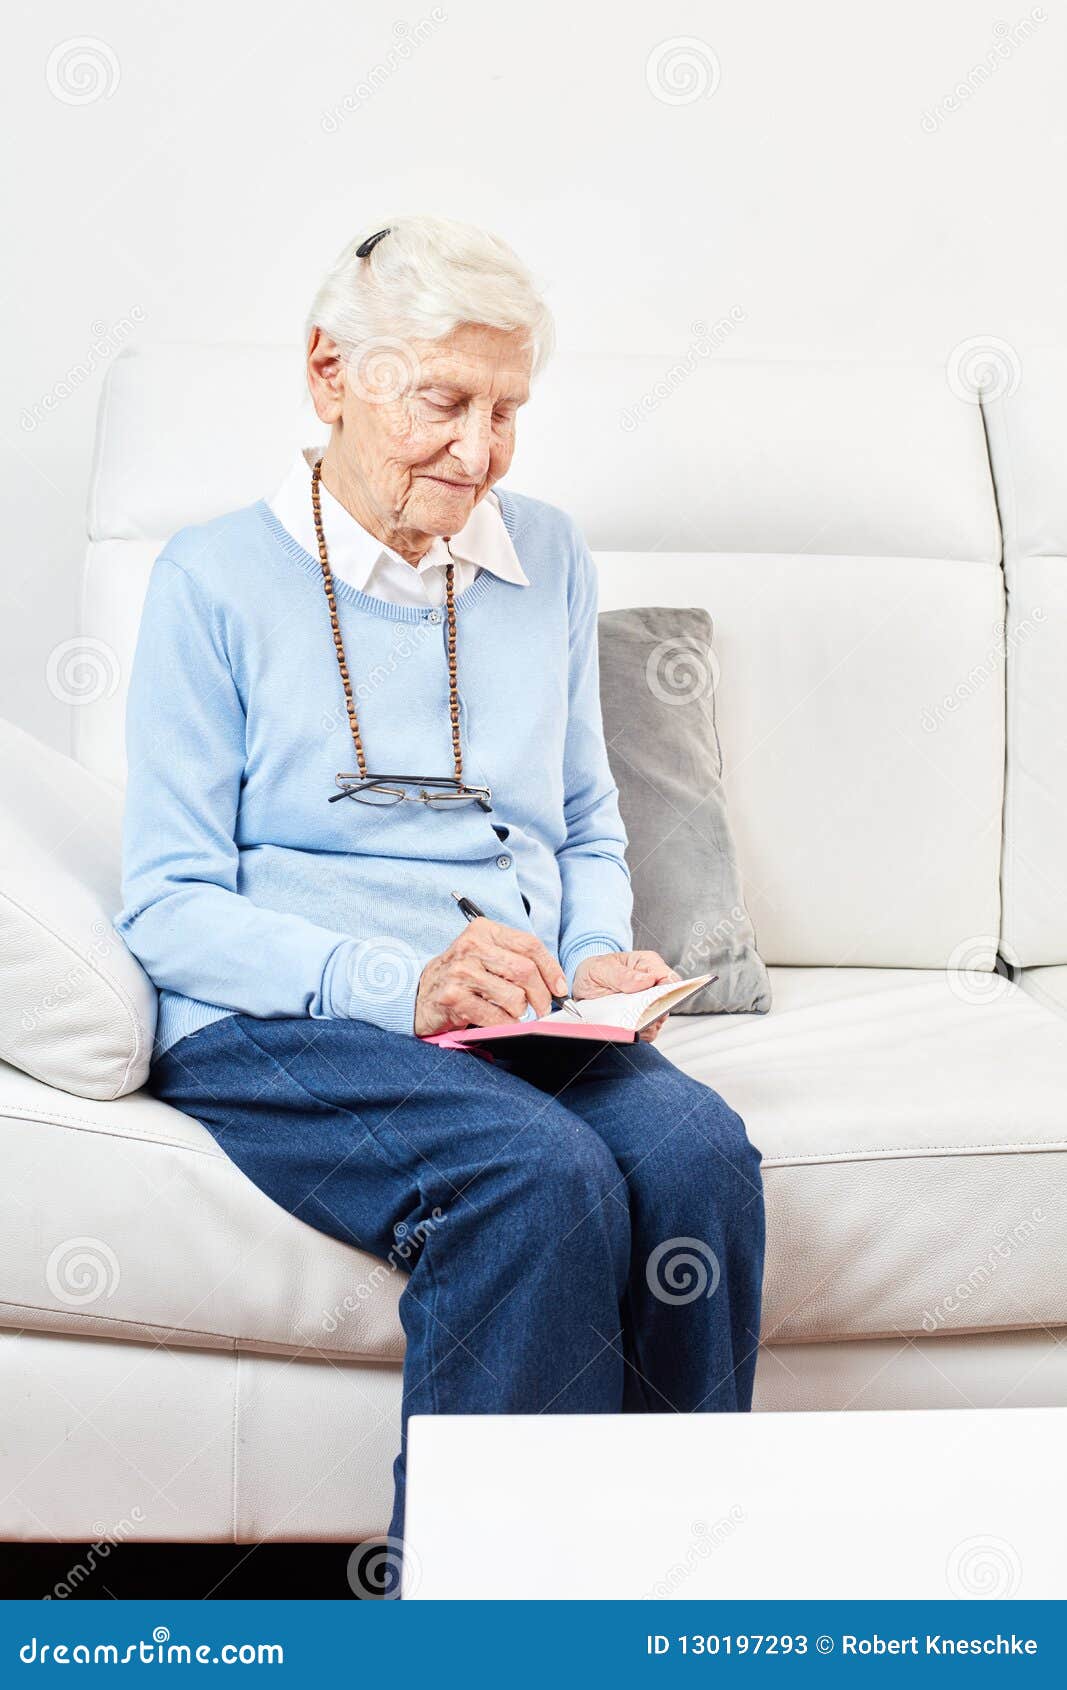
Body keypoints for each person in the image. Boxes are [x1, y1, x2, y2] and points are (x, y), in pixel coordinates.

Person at [116, 214, 765, 1582]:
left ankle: (667, 1606)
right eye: (444, 401)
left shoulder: (550, 560)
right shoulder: (210, 583)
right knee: (536, 1179)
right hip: (278, 1016)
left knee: (699, 1152)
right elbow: (168, 903)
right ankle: (478, 1633)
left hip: (517, 1014)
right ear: (328, 372)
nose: (479, 452)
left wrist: (593, 958)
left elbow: (587, 820)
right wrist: (396, 984)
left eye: (508, 409)